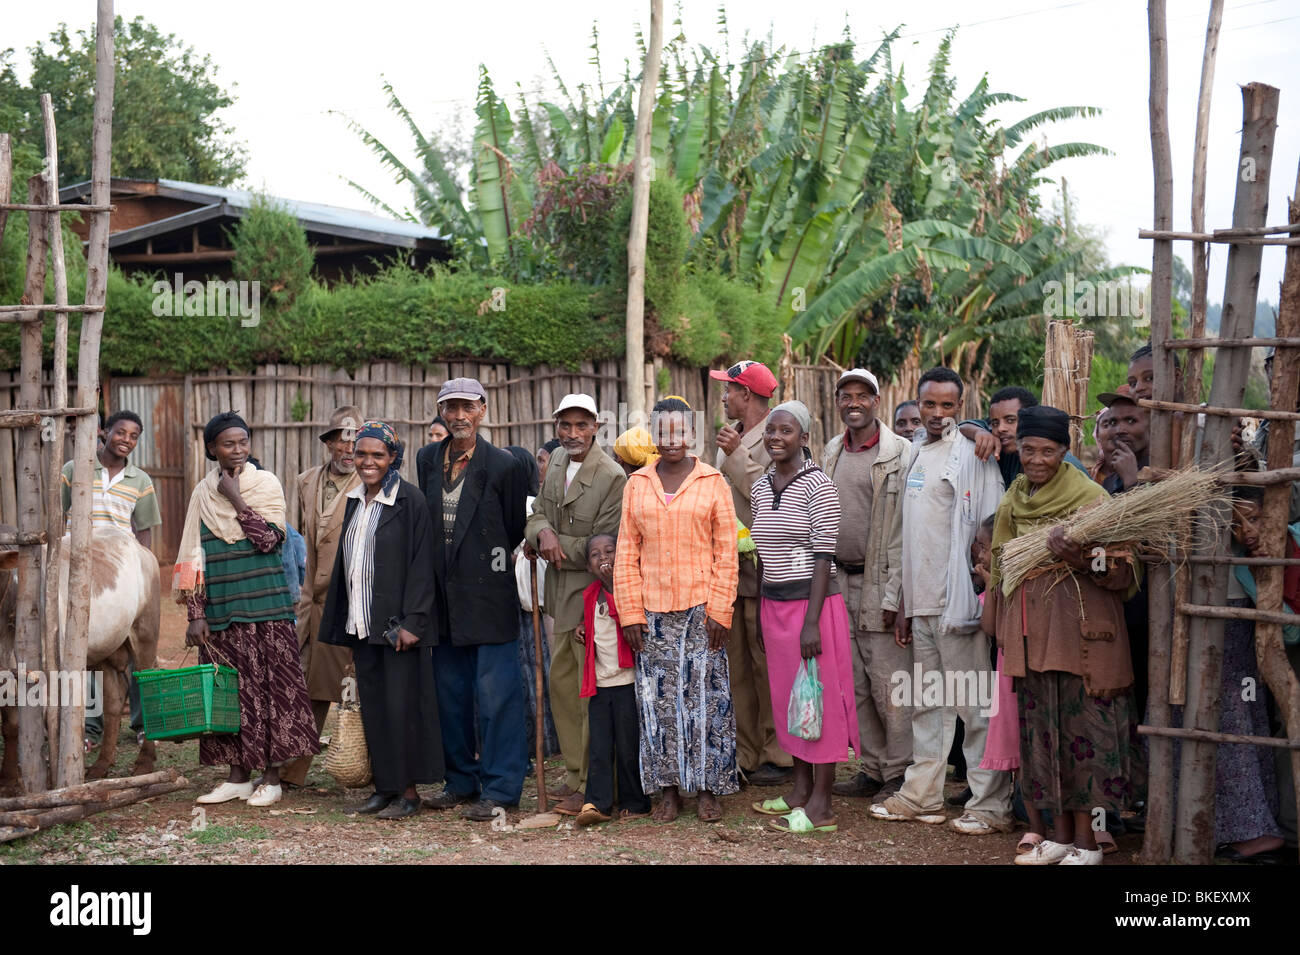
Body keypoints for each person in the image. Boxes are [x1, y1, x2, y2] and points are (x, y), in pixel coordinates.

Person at [982, 405, 1144, 865]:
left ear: (1065, 452)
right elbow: (1001, 565)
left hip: (1083, 642)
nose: (1036, 459)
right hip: (1031, 640)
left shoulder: (1091, 498)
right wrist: (998, 627)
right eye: (1028, 449)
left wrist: (1079, 556)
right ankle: (1057, 837)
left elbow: (1123, 570)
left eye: (1048, 451)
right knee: (1044, 741)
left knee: (1087, 745)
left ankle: (1090, 844)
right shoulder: (1015, 497)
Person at [870, 367, 1012, 834]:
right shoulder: (914, 454)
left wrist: (977, 596)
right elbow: (907, 536)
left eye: (947, 406)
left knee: (973, 707)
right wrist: (904, 600)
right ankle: (923, 795)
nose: (936, 413)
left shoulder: (974, 454)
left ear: (961, 405)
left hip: (958, 604)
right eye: (928, 404)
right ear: (917, 402)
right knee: (928, 704)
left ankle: (989, 805)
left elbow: (986, 532)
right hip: (922, 602)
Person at [175, 412, 320, 809]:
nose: (237, 450)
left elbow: (270, 540)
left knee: (272, 693)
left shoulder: (266, 484)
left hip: (268, 610)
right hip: (222, 613)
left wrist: (235, 497)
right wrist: (195, 613)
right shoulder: (201, 494)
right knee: (229, 695)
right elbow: (193, 557)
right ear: (212, 449)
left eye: (243, 442)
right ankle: (237, 777)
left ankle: (271, 776)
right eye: (228, 444)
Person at [613, 397, 740, 823]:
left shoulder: (713, 481)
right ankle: (668, 791)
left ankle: (706, 788)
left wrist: (721, 610)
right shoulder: (637, 484)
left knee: (705, 701)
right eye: (662, 431)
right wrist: (630, 614)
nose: (671, 440)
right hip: (650, 614)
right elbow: (627, 552)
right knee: (658, 703)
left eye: (679, 430)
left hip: (702, 611)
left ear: (691, 433)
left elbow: (727, 552)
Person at [417, 379, 529, 821]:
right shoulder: (428, 459)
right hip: (442, 599)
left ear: (483, 409)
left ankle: (501, 789)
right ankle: (461, 781)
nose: (459, 415)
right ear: (442, 412)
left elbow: (513, 528)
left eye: (467, 407)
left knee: (498, 696)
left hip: (489, 598)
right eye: (450, 407)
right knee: (451, 695)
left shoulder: (503, 465)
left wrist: (487, 568)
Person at [318, 420, 442, 819]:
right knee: (375, 707)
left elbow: (424, 566)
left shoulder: (409, 501)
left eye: (377, 455)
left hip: (397, 627)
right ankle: (384, 788)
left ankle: (408, 793)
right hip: (363, 624)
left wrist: (412, 622)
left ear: (392, 458)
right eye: (361, 454)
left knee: (402, 709)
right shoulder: (355, 500)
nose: (368, 462)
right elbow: (349, 564)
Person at [748, 400, 859, 833]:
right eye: (770, 430)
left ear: (804, 438)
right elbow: (762, 556)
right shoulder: (760, 488)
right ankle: (798, 790)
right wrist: (760, 610)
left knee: (820, 700)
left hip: (814, 609)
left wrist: (811, 622)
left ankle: (822, 805)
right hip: (774, 606)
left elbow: (823, 556)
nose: (775, 437)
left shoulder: (820, 487)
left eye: (786, 431)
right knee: (788, 701)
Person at [525, 394, 626, 815]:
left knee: (589, 694)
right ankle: (573, 777)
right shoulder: (558, 465)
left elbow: (603, 548)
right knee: (564, 688)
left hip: (592, 600)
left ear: (596, 427)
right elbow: (535, 517)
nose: (572, 433)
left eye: (581, 425)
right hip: (558, 598)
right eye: (565, 425)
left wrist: (550, 541)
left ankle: (594, 784)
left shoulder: (612, 475)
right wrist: (539, 534)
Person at [820, 369, 914, 801]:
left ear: (877, 401)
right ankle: (873, 768)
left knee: (890, 681)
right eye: (846, 396)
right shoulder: (831, 451)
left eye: (863, 395)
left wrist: (899, 594)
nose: (853, 402)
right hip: (839, 579)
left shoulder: (902, 453)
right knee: (855, 682)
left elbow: (907, 532)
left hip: (881, 581)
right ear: (838, 401)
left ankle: (900, 772)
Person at [710, 359, 791, 788]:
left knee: (767, 665)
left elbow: (771, 497)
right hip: (729, 572)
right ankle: (746, 752)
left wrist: (735, 455)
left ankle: (779, 752)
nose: (724, 397)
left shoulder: (776, 438)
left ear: (747, 395)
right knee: (736, 666)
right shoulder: (735, 438)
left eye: (729, 390)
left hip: (765, 575)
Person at [63, 410, 162, 747]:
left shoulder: (140, 480)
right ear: (104, 432)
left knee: (137, 651)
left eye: (134, 436)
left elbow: (144, 531)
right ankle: (90, 730)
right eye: (121, 433)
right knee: (85, 647)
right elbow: (59, 515)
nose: (126, 441)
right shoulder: (74, 469)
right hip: (79, 565)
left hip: (121, 570)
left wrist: (144, 574)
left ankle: (141, 724)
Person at [280, 405, 364, 789]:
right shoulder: (306, 481)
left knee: (356, 689)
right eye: (342, 442)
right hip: (310, 603)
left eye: (356, 443)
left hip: (351, 602)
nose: (349, 451)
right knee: (305, 683)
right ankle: (293, 770)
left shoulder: (372, 484)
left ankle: (372, 771)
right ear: (329, 443)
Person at [1205, 486, 1288, 862]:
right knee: (1244, 716)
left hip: (1236, 627)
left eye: (1253, 519)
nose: (1246, 530)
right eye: (1234, 523)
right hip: (1242, 626)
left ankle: (1254, 830)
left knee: (1237, 718)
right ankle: (1256, 824)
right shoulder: (1241, 555)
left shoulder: (1275, 548)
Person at [575, 533, 650, 825]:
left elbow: (625, 617)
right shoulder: (591, 594)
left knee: (628, 746)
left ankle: (636, 801)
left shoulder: (627, 590)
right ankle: (598, 802)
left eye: (610, 551)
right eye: (595, 554)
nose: (604, 557)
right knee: (600, 746)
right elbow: (595, 622)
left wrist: (611, 583)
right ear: (588, 566)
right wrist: (581, 629)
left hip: (627, 682)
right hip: (601, 683)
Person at [507, 445, 559, 770]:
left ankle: (547, 745)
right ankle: (532, 746)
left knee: (540, 675)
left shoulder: (530, 508)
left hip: (537, 606)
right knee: (526, 677)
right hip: (520, 605)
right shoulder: (508, 504)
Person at [959, 386, 1086, 486]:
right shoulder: (1006, 448)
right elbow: (962, 427)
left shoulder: (1064, 464)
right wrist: (979, 433)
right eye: (995, 423)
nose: (1000, 428)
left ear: (1030, 420)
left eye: (1010, 420)